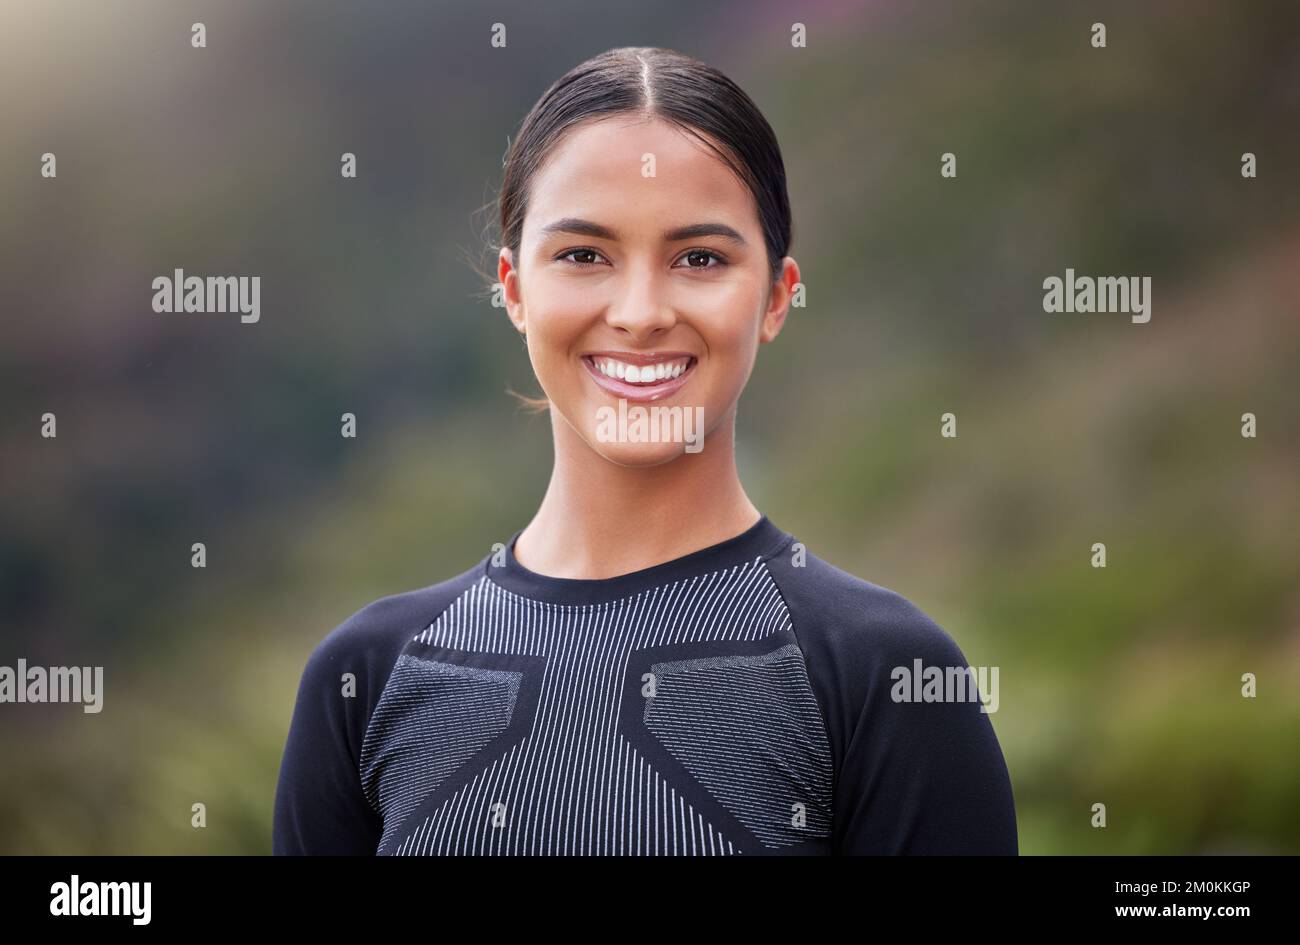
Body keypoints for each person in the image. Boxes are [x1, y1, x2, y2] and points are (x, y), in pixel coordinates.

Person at [273, 46, 1017, 856]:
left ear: (774, 297)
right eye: (583, 255)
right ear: (515, 289)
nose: (638, 312)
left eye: (699, 258)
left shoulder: (885, 676)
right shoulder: (364, 679)